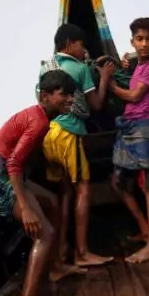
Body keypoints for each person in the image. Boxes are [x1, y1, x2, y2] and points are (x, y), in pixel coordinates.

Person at [0, 69, 84, 296]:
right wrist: (26, 207)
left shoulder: (42, 118)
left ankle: (55, 266)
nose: (70, 99)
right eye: (63, 95)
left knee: (52, 201)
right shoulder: (39, 122)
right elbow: (13, 164)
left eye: (71, 94)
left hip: (8, 170)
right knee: (44, 232)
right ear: (45, 96)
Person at [37, 23, 117, 267]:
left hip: (50, 136)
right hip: (70, 135)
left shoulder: (46, 68)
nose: (83, 49)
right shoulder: (80, 68)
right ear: (70, 43)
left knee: (65, 194)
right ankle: (82, 253)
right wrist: (104, 78)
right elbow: (96, 105)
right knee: (83, 189)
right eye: (81, 44)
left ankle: (61, 252)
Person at [110, 17, 149, 263]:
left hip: (145, 126)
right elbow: (132, 62)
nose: (144, 44)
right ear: (133, 41)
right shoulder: (139, 64)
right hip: (128, 127)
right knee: (118, 183)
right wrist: (126, 60)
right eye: (139, 39)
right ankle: (145, 229)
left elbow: (134, 96)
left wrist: (108, 83)